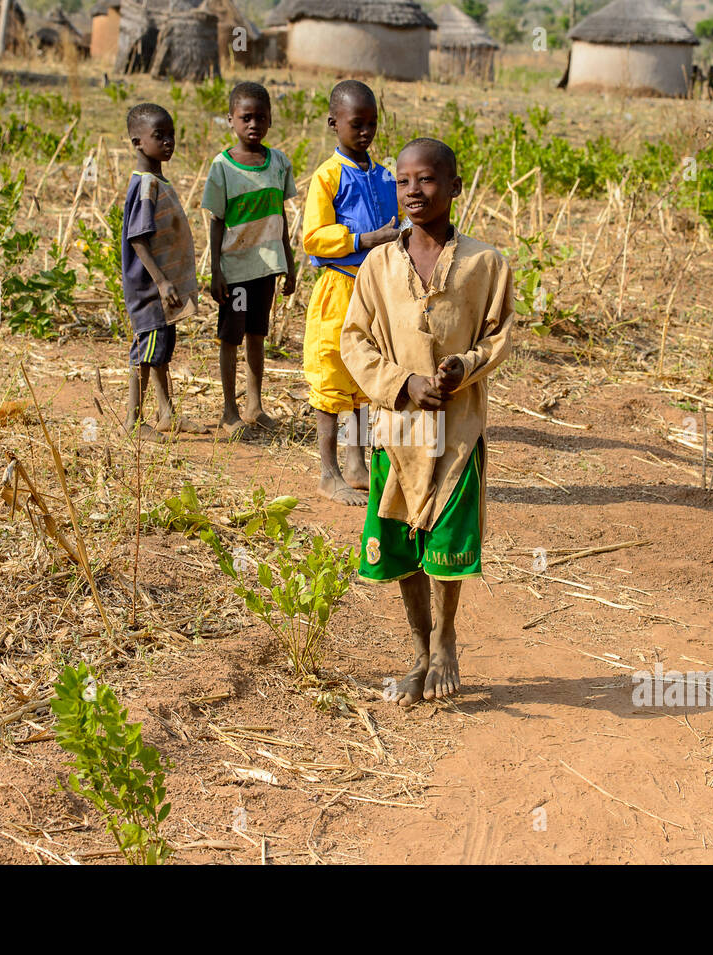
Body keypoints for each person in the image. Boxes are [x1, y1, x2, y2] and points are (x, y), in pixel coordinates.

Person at [340, 138, 513, 706]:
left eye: (428, 180)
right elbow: (354, 340)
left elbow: (499, 335)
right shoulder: (379, 264)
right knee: (402, 542)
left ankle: (446, 640)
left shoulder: (485, 263)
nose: (415, 191)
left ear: (455, 187)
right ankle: (419, 651)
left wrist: (462, 367)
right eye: (405, 181)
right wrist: (402, 385)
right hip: (399, 430)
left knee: (445, 540)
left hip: (458, 430)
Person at [302, 79, 400, 505]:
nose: (366, 132)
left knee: (363, 378)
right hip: (338, 288)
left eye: (372, 123)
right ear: (333, 124)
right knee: (330, 378)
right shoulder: (326, 177)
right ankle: (329, 473)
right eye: (356, 123)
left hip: (374, 292)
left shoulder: (384, 177)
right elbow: (313, 237)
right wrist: (365, 239)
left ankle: (357, 464)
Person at [202, 81, 297, 437]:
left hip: (267, 269)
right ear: (231, 120)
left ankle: (255, 406)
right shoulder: (222, 167)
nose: (253, 124)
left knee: (258, 334)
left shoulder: (279, 163)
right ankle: (230, 411)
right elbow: (217, 221)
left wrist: (288, 262)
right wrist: (215, 270)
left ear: (270, 120)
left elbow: (281, 217)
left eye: (261, 117)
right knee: (232, 337)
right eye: (246, 117)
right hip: (237, 270)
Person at [121, 102, 205, 438]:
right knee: (145, 350)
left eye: (171, 135)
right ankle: (132, 422)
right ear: (137, 142)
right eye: (160, 136)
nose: (168, 142)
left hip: (160, 289)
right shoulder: (145, 185)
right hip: (150, 288)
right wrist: (162, 281)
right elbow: (138, 239)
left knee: (160, 350)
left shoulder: (155, 180)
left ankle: (166, 413)